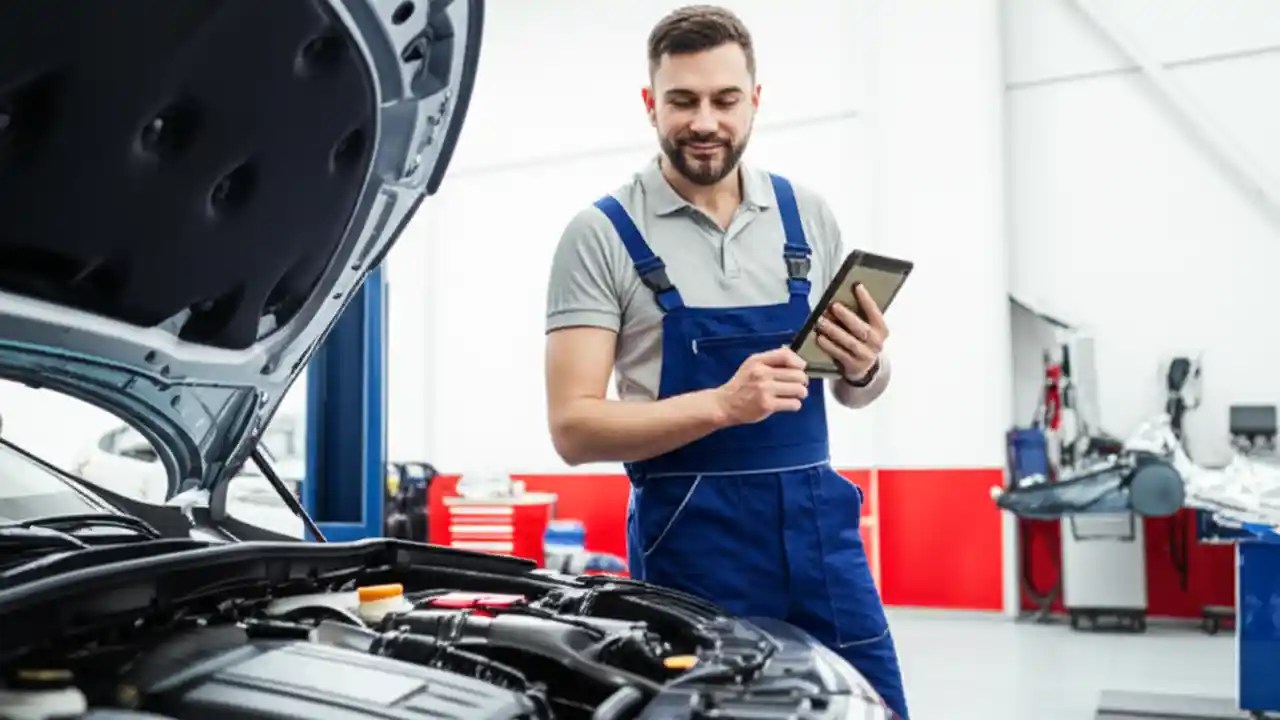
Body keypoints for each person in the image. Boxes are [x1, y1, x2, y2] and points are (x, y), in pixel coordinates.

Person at [542, 5, 907, 717]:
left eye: (724, 99)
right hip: (691, 546)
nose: (704, 121)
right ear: (651, 105)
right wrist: (721, 405)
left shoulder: (808, 217)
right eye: (682, 100)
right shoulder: (601, 235)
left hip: (823, 538)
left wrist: (867, 366)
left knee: (876, 708)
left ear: (755, 102)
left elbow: (858, 390)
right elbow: (573, 427)